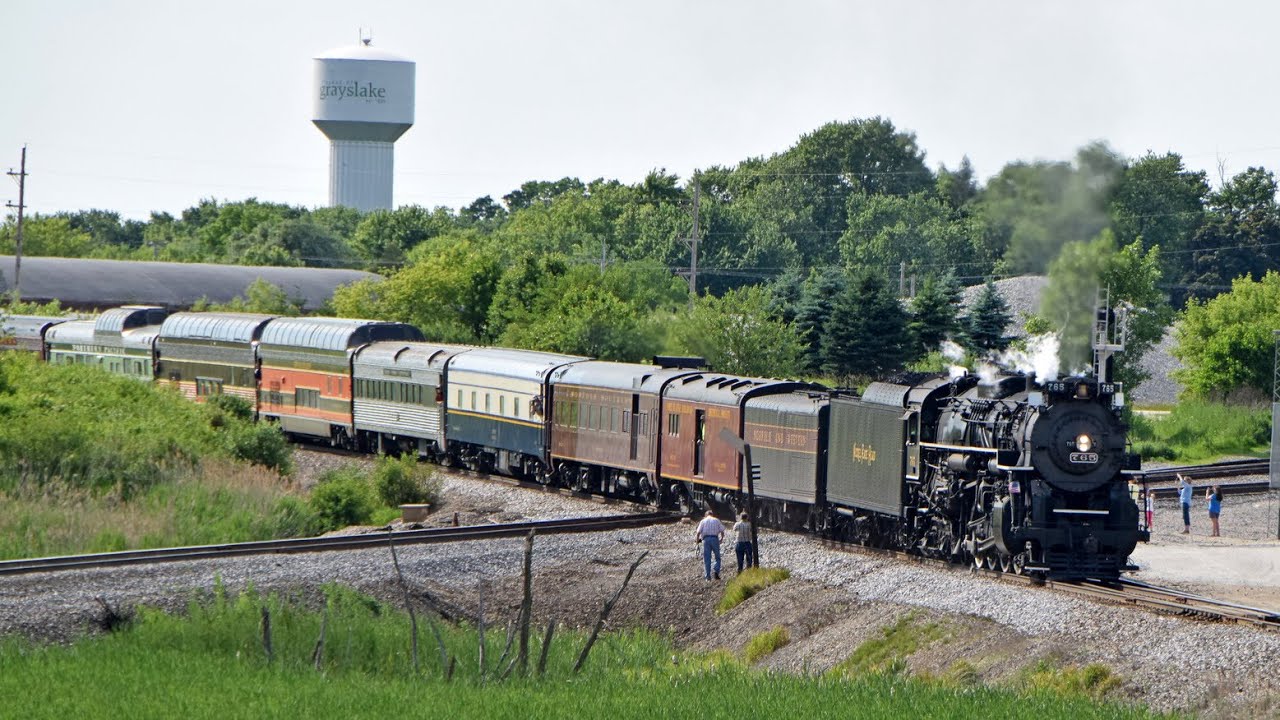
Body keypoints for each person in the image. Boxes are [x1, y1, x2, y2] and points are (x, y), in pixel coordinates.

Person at [695, 509, 725, 581]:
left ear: (706, 515)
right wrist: (721, 539)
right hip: (715, 539)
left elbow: (698, 532)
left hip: (706, 539)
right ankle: (716, 571)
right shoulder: (717, 520)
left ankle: (708, 576)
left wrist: (697, 541)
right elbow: (722, 530)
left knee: (707, 558)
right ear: (712, 514)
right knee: (717, 557)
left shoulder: (703, 521)